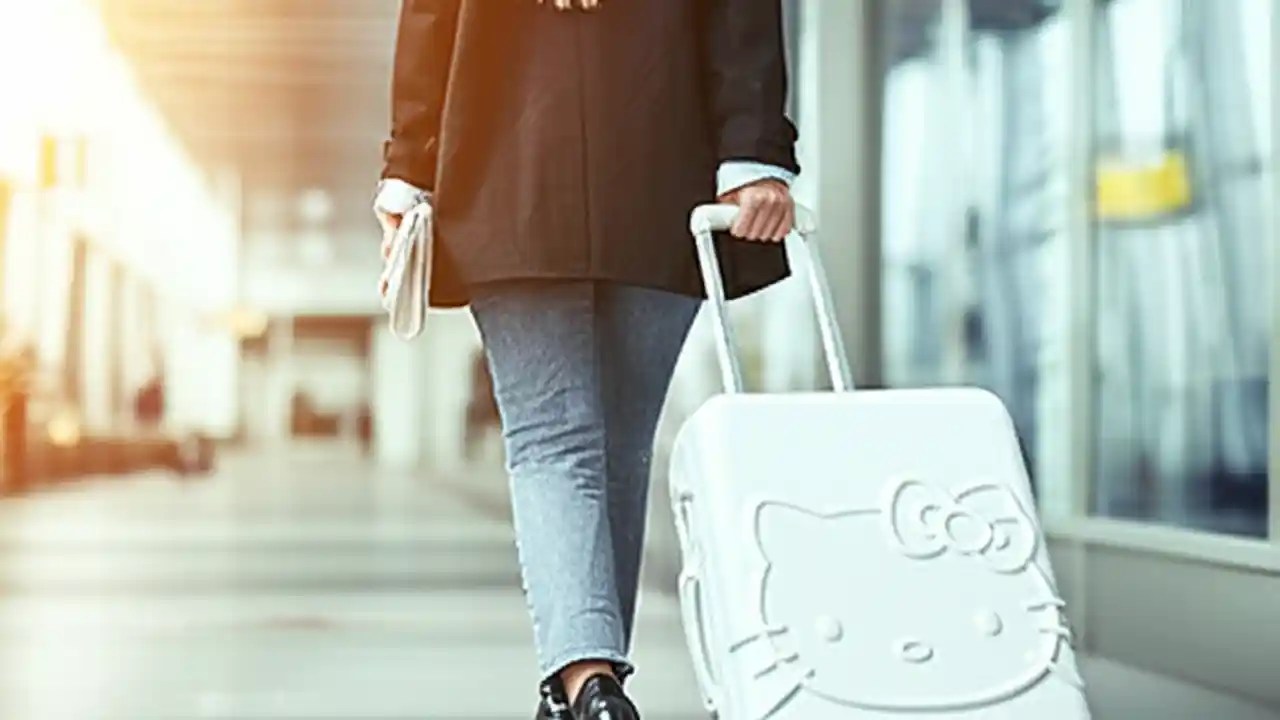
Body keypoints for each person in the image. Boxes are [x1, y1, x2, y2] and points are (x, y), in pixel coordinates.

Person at [373, 1, 799, 718]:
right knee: (616, 450)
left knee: (553, 444)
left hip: (507, 166)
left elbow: (431, 15)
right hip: (660, 161)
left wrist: (408, 167)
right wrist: (752, 151)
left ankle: (586, 684)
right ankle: (589, 686)